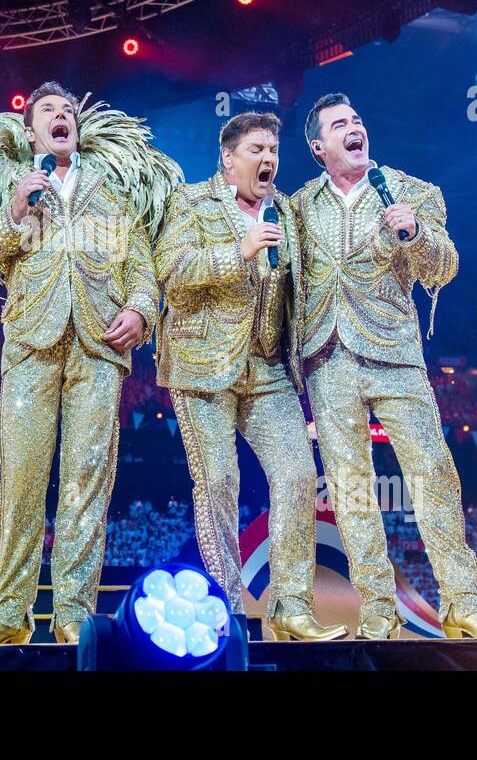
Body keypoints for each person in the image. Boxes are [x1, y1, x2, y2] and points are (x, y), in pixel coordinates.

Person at [0, 82, 179, 644]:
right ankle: (9, 615)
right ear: (30, 131)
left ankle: (74, 617)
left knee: (88, 480)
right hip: (32, 341)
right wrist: (15, 211)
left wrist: (140, 310)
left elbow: (138, 261)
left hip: (100, 342)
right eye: (48, 113)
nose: (61, 118)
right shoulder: (17, 189)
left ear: (76, 129)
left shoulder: (110, 189)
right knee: (23, 478)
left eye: (68, 112)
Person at [289, 92, 477, 640]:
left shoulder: (413, 191)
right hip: (328, 355)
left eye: (358, 120)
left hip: (395, 353)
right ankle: (376, 610)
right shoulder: (299, 204)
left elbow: (445, 268)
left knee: (432, 473)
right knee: (350, 487)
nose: (354, 128)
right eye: (340, 124)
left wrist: (416, 233)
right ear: (320, 148)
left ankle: (464, 602)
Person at [154, 111, 345, 641]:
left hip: (267, 367)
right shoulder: (190, 203)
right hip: (202, 367)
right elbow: (172, 272)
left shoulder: (286, 211)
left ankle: (292, 606)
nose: (268, 160)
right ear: (228, 157)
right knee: (218, 482)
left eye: (274, 151)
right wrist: (236, 253)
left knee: (299, 476)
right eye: (257, 149)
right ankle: (230, 611)